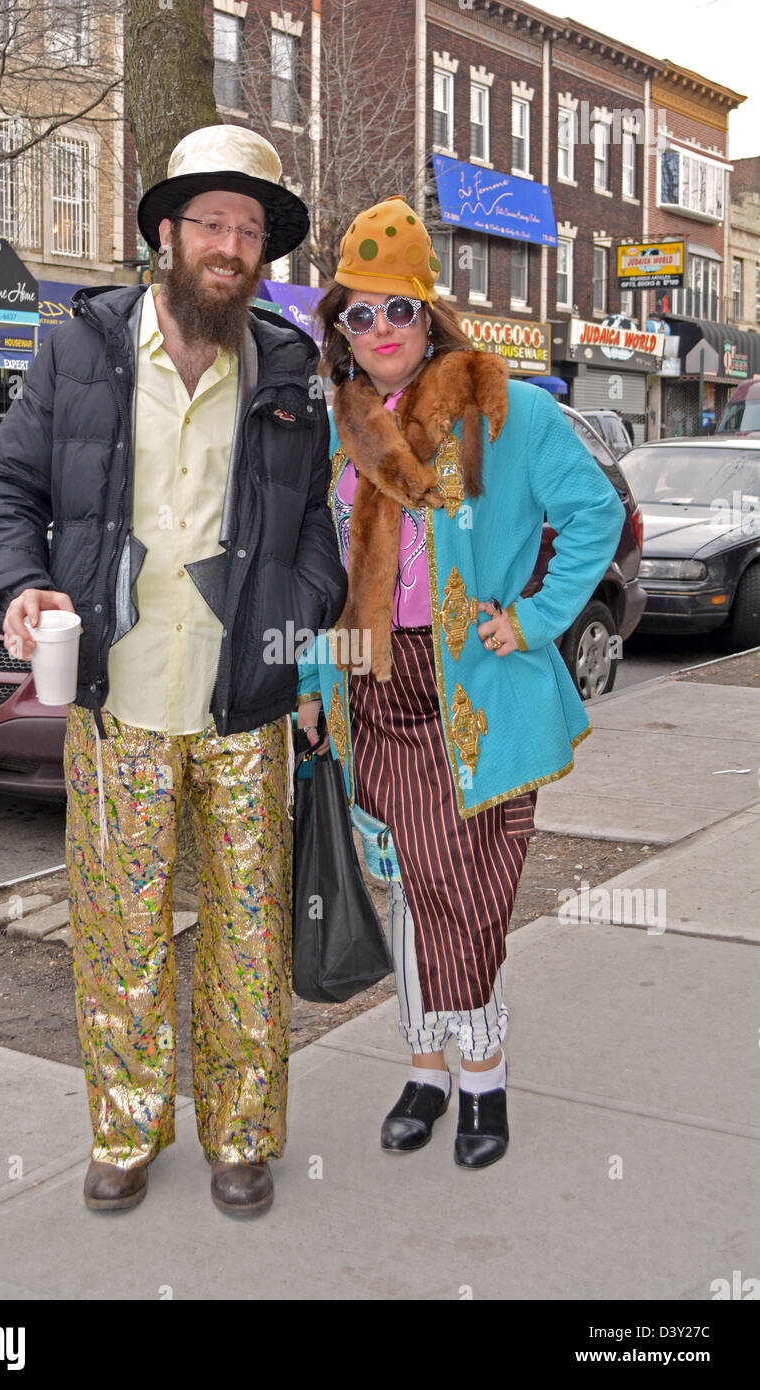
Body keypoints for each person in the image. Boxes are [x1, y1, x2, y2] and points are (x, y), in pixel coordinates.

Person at [0, 125, 347, 1217]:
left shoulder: (284, 363)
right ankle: (127, 1128)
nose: (230, 245)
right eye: (211, 223)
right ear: (167, 235)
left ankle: (240, 1135)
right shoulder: (82, 347)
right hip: (117, 700)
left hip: (244, 704)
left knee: (245, 933)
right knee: (119, 925)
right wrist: (15, 588)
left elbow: (313, 516)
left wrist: (303, 604)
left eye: (249, 229)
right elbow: (8, 490)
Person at [297, 195, 624, 1168]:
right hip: (373, 695)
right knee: (409, 886)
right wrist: (316, 682)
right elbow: (329, 578)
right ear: (341, 331)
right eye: (359, 313)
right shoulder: (341, 432)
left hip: (475, 695)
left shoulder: (506, 410)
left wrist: (529, 616)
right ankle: (428, 1068)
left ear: (429, 315)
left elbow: (593, 515)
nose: (382, 329)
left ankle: (479, 1073)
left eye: (398, 309)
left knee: (462, 890)